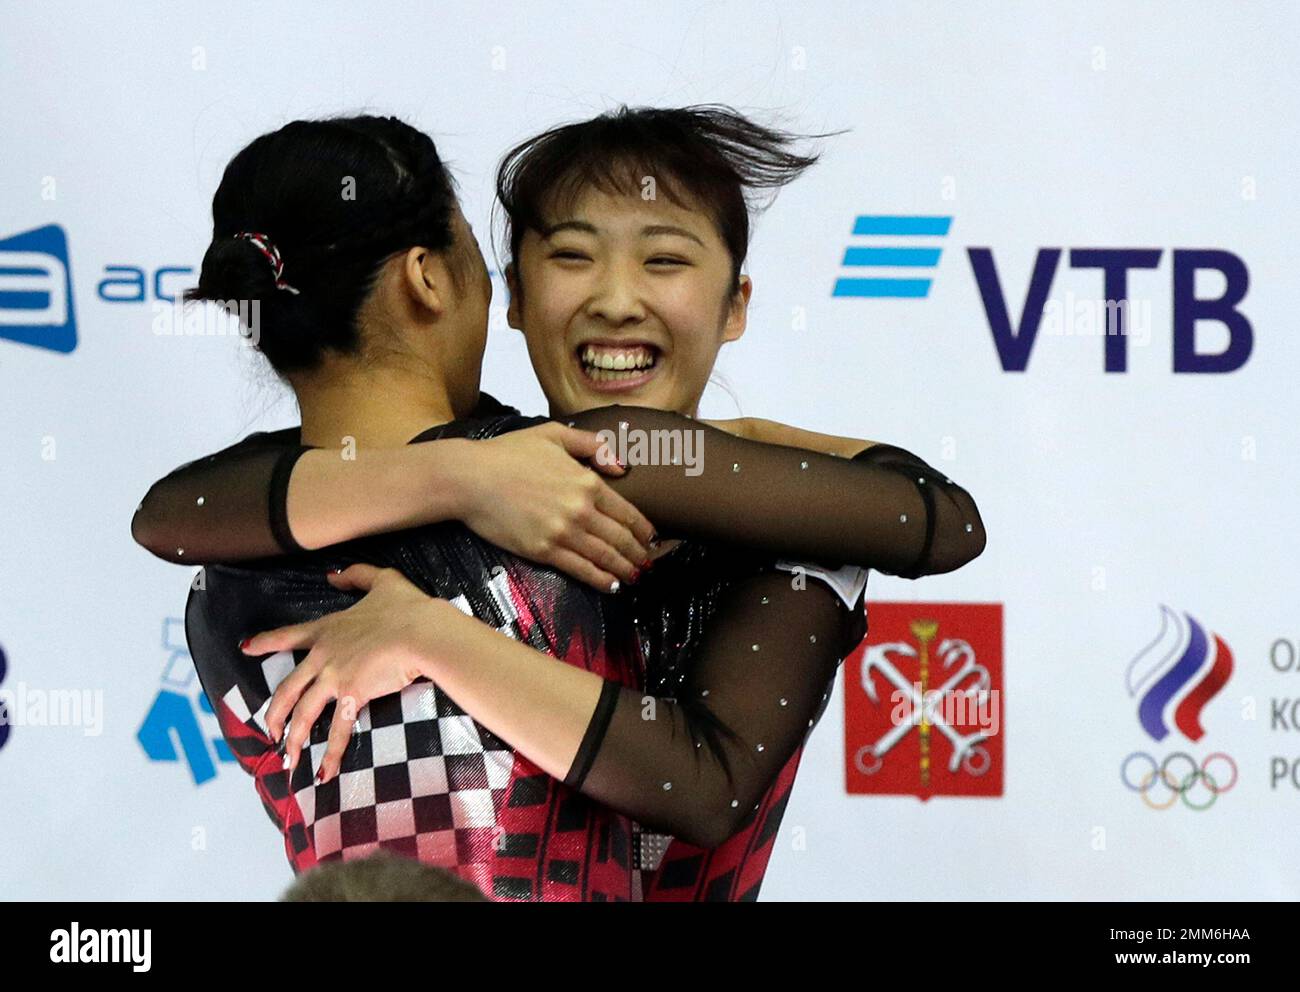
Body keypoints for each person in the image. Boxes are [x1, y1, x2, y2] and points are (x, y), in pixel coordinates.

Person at [135, 109, 984, 900]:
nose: (616, 298)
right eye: (571, 256)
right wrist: (466, 497)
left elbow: (165, 515)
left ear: (736, 302)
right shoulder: (574, 466)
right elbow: (933, 518)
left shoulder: (224, 553)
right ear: (439, 280)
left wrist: (738, 441)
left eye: (664, 258)